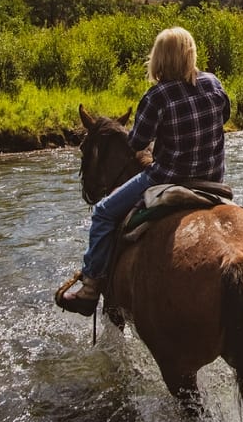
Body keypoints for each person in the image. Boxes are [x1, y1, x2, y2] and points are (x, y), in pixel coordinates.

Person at [58, 26, 231, 316]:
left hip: (166, 178)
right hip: (213, 179)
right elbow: (224, 116)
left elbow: (137, 143)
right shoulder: (213, 83)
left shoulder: (156, 96)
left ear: (159, 59)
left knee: (102, 212)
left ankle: (89, 288)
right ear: (191, 55)